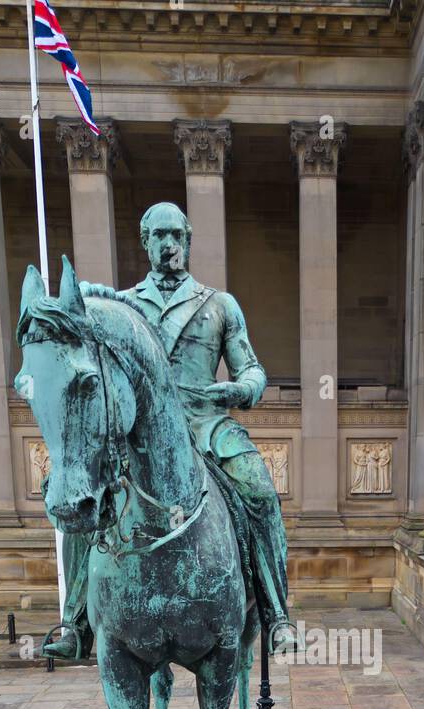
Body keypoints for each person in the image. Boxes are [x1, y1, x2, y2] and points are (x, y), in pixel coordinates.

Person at [43, 201, 295, 659]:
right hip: (137, 435)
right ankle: (75, 621)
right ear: (145, 242)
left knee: (260, 491)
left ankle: (277, 614)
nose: (169, 244)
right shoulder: (125, 305)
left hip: (206, 423)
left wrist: (237, 390)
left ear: (188, 241)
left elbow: (254, 370)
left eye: (176, 235)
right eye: (159, 236)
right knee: (84, 496)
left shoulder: (218, 304)